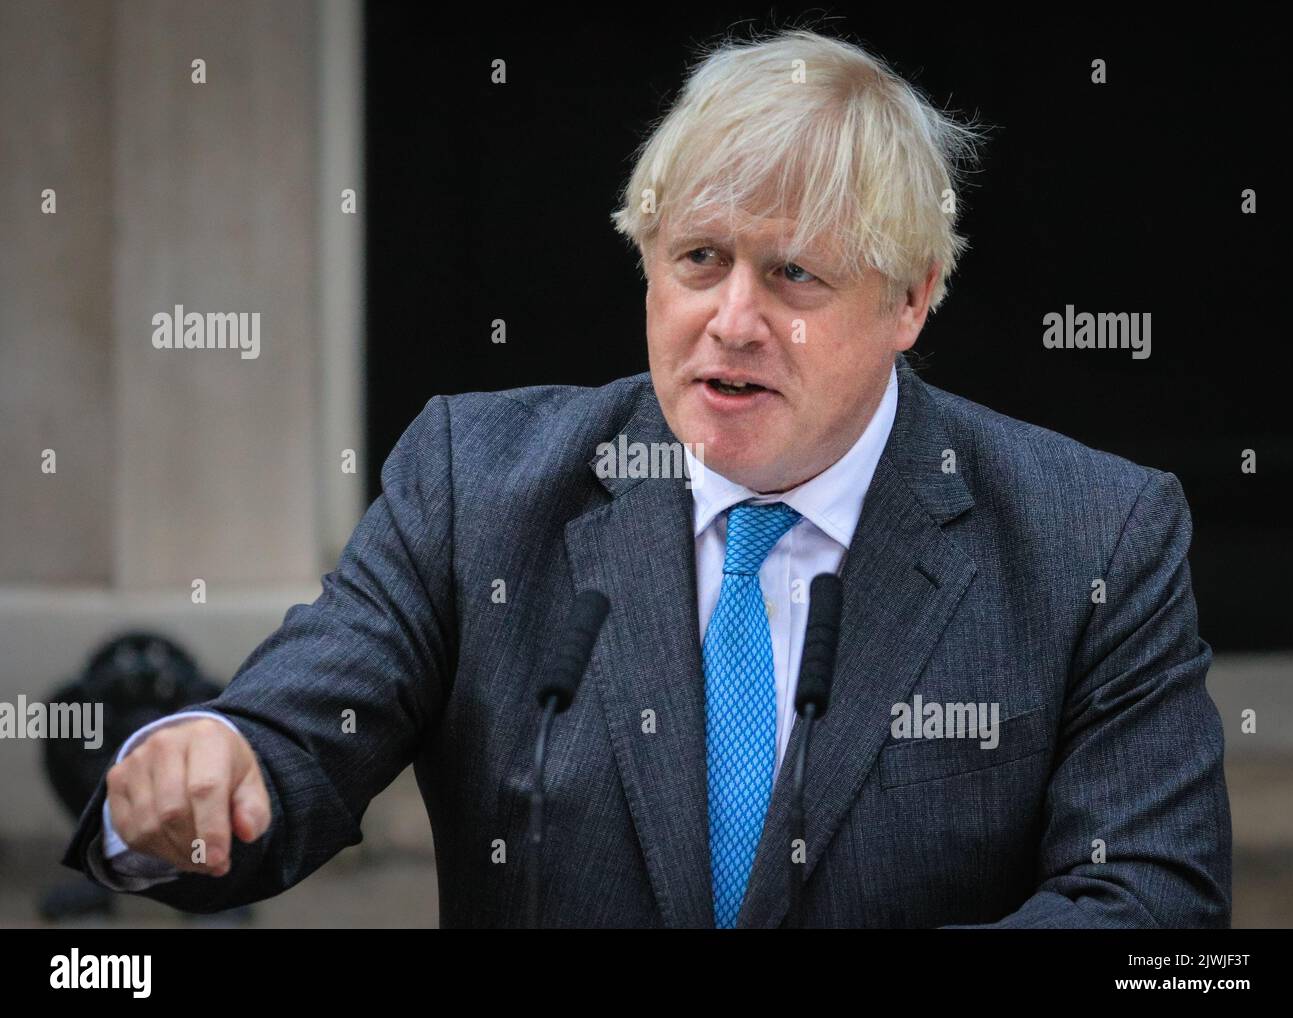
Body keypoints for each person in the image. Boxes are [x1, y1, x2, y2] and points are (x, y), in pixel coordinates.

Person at [63, 28, 1231, 928]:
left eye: (793, 276)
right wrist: (204, 771)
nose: (732, 320)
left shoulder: (1093, 536)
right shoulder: (480, 484)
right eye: (700, 260)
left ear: (913, 297)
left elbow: (1153, 912)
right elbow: (297, 735)